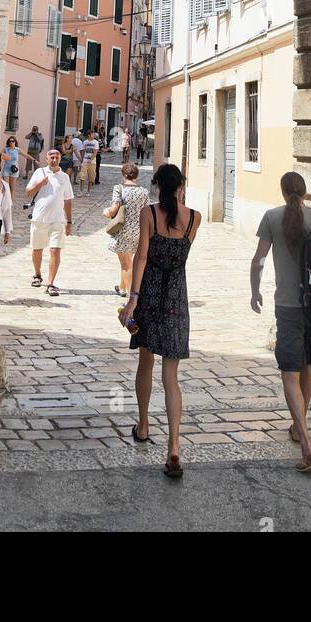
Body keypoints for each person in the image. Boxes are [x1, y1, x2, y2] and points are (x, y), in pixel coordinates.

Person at [249, 170, 311, 473]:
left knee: (289, 373)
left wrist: (255, 291)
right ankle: (297, 426)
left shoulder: (271, 217)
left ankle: (304, 438)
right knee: (307, 365)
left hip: (288, 305)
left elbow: (259, 260)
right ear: (305, 192)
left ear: (282, 191)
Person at [119, 163, 199, 479]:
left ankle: (142, 424)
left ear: (156, 186)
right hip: (177, 297)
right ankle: (174, 445)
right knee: (171, 375)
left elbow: (141, 256)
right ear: (180, 186)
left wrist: (133, 298)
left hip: (150, 294)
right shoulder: (194, 218)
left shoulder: (149, 214)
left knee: (145, 362)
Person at [25, 149, 73, 297]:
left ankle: (50, 283)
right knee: (37, 249)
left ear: (60, 159)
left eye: (56, 157)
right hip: (39, 218)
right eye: (51, 157)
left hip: (57, 220)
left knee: (55, 250)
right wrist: (39, 184)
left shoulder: (64, 177)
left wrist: (69, 221)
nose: (54, 159)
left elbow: (68, 200)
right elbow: (28, 193)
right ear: (47, 159)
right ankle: (37, 275)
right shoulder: (39, 173)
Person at [103, 161, 148, 296]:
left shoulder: (119, 188)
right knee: (129, 261)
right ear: (136, 176)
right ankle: (122, 288)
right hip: (139, 230)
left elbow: (114, 209)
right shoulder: (144, 191)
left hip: (123, 230)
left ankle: (131, 294)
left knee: (126, 263)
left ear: (123, 175)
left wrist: (106, 212)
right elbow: (147, 211)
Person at [78, 130, 98, 194]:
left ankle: (88, 191)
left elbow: (95, 152)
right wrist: (81, 160)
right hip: (85, 161)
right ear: (89, 135)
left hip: (92, 162)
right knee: (82, 176)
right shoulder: (85, 142)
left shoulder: (96, 142)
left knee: (91, 177)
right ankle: (81, 191)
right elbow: (83, 151)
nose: (94, 135)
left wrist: (91, 160)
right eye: (92, 134)